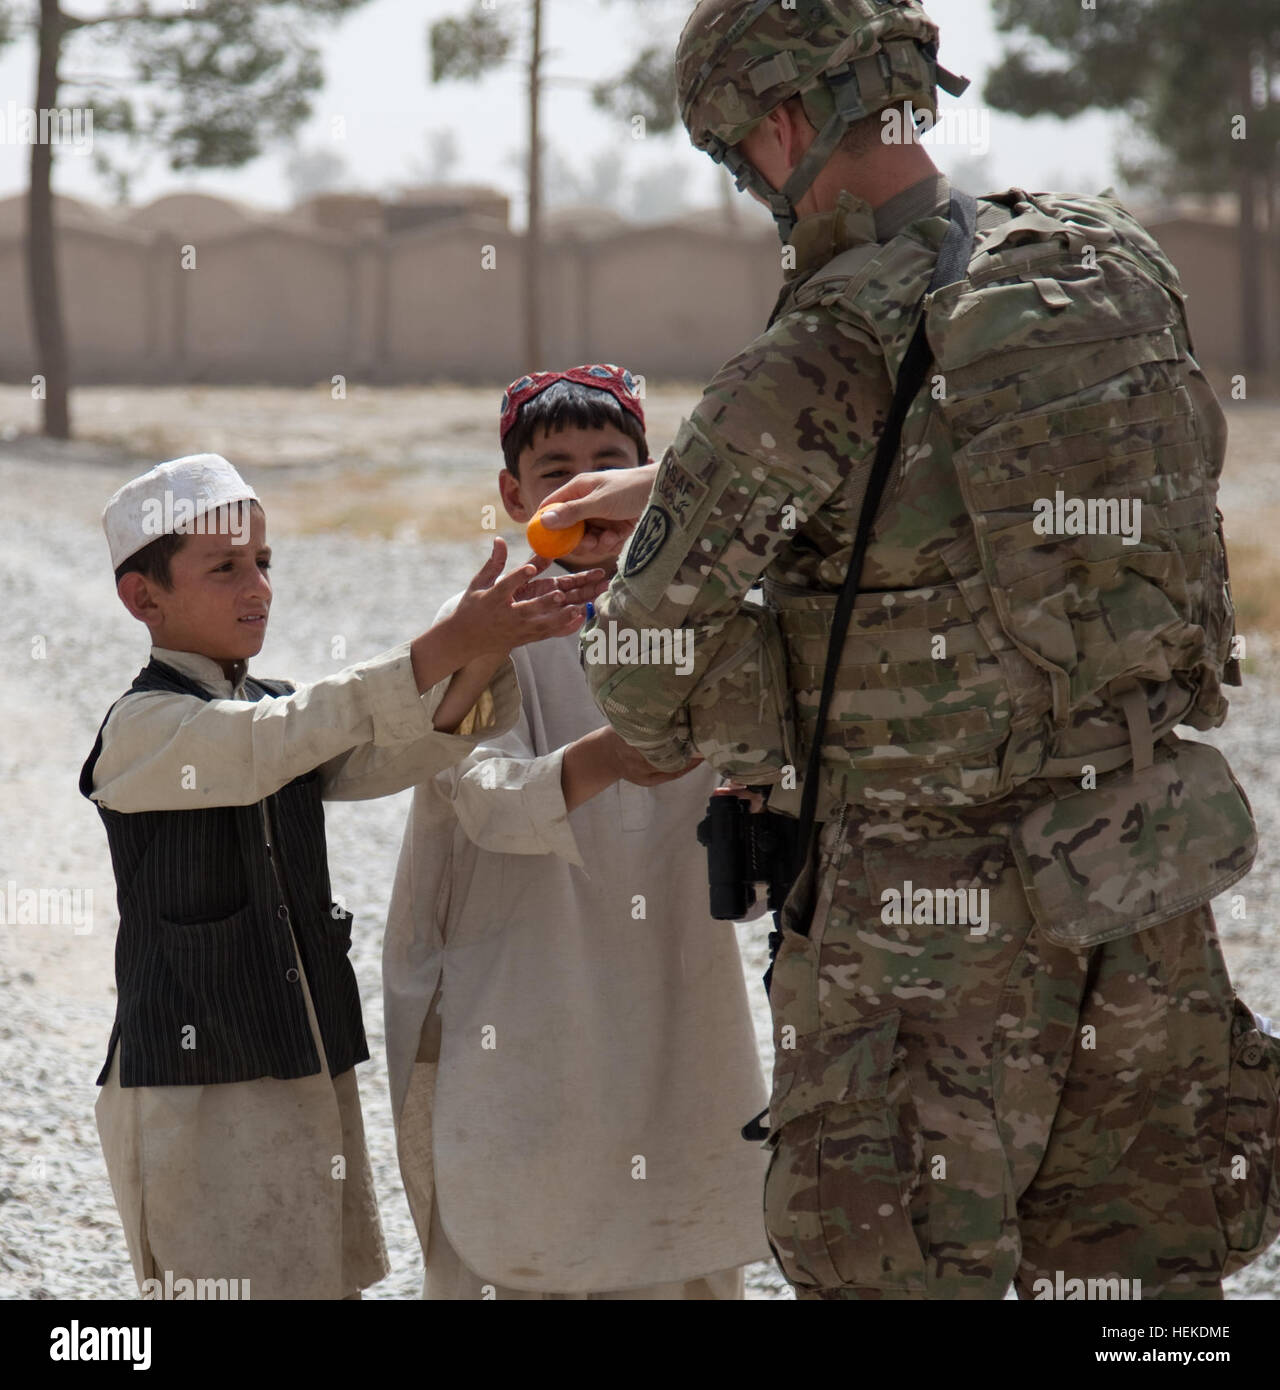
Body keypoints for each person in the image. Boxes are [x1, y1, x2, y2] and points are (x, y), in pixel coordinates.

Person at [542, 0, 1280, 1301]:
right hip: (1137, 878)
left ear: (782, 125)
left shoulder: (814, 349)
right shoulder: (1105, 261)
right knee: (1147, 1296)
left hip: (914, 942)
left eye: (737, 160)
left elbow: (645, 672)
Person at [82, 452, 605, 1300]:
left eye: (264, 562)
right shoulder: (144, 730)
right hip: (193, 1098)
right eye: (224, 568)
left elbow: (393, 749)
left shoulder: (273, 706)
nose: (258, 586)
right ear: (144, 599)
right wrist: (444, 643)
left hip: (305, 1072)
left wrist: (485, 651)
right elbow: (275, 741)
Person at [382, 365, 771, 1300]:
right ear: (513, 497)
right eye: (556, 472)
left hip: (677, 973)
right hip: (522, 983)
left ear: (654, 485)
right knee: (522, 1220)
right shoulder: (486, 625)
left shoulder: (713, 622)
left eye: (610, 466)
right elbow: (480, 796)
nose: (582, 491)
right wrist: (608, 758)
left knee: (671, 1219)